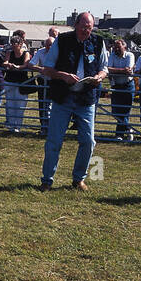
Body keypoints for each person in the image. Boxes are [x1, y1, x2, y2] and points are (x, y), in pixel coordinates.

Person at [38, 12, 106, 191]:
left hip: (86, 99)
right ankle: (47, 180)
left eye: (89, 28)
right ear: (75, 25)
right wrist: (63, 76)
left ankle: (78, 179)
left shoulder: (99, 42)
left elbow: (104, 68)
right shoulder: (62, 40)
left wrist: (99, 76)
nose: (86, 31)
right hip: (62, 98)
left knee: (88, 141)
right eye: (83, 27)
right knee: (54, 141)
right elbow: (47, 69)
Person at [2, 31, 33, 133]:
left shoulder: (26, 53)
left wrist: (18, 67)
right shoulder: (9, 53)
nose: (13, 47)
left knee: (20, 105)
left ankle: (17, 126)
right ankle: (11, 125)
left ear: (20, 44)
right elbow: (5, 62)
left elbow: (26, 64)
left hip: (21, 83)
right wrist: (9, 64)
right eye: (12, 44)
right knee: (10, 104)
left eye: (15, 45)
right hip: (9, 81)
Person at [105, 36, 135, 140]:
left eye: (119, 47)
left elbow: (129, 70)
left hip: (128, 85)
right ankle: (128, 128)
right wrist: (122, 71)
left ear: (124, 47)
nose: (116, 49)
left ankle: (119, 134)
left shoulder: (130, 55)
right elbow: (108, 69)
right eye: (115, 47)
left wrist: (116, 70)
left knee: (125, 110)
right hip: (116, 86)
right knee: (116, 111)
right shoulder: (112, 56)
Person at [30, 30, 57, 135]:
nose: (48, 48)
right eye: (47, 45)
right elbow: (31, 64)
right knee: (42, 104)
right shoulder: (41, 52)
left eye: (50, 45)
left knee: (53, 105)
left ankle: (52, 128)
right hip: (42, 80)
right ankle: (43, 127)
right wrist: (41, 69)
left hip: (54, 81)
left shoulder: (59, 52)